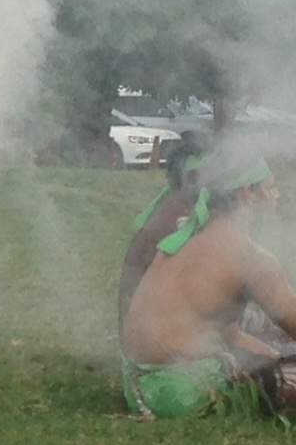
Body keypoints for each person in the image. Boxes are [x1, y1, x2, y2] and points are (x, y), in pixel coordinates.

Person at [122, 151, 296, 418]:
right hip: (182, 393)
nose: (277, 197)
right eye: (271, 189)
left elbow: (217, 326)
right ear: (248, 192)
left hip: (138, 387)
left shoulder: (187, 238)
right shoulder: (250, 257)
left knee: (272, 347)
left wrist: (270, 354)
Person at [116, 140, 204, 331]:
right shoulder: (176, 215)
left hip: (148, 323)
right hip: (148, 331)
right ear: (188, 179)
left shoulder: (177, 204)